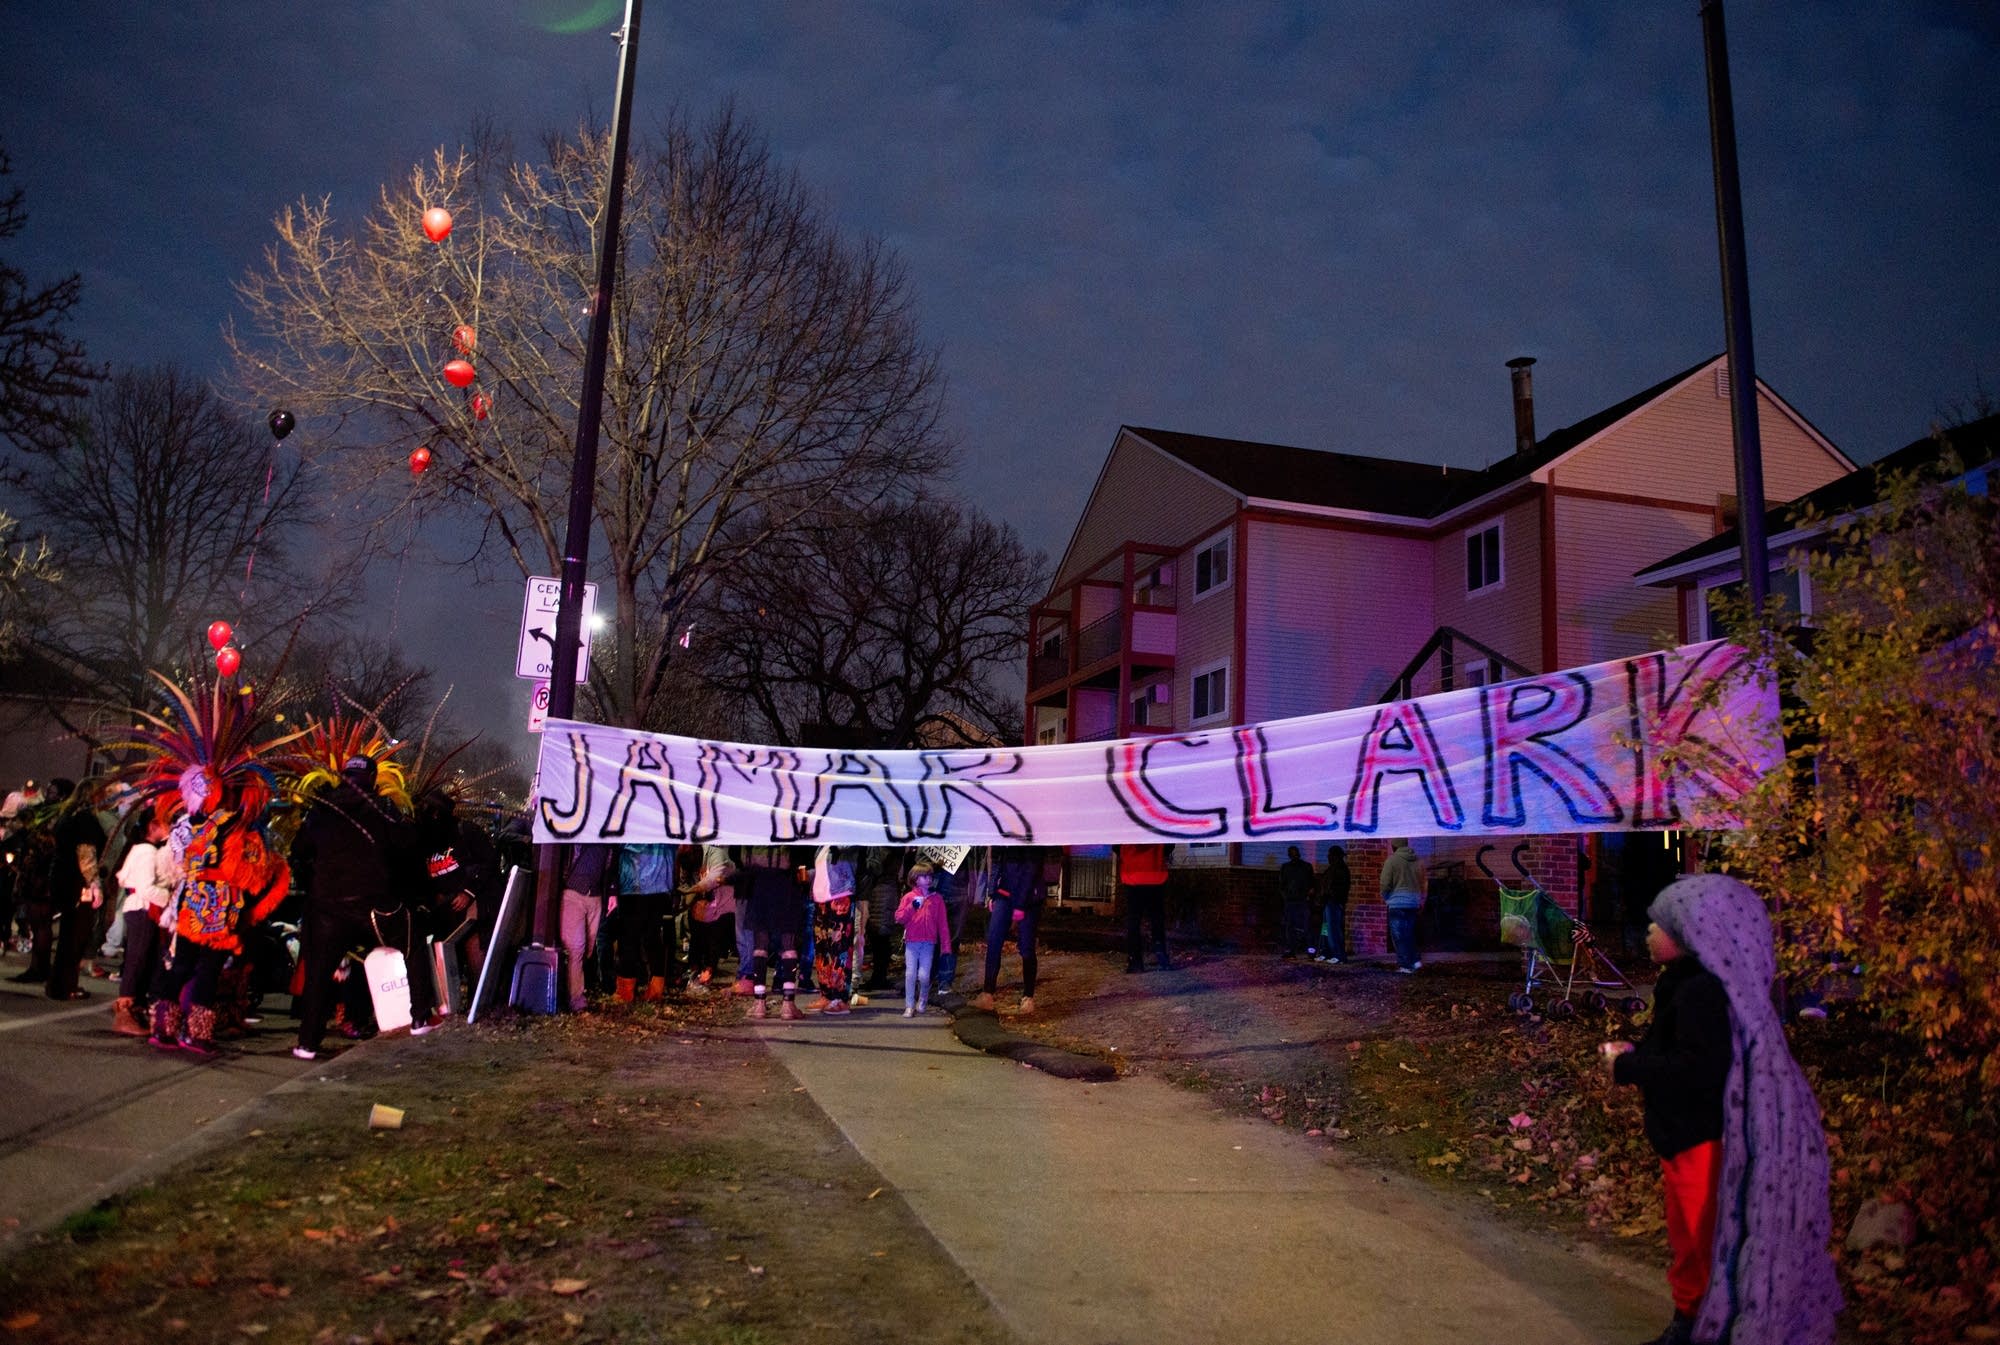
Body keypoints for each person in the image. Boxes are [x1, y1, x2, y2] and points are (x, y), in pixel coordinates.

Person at [1603, 874, 1839, 1345]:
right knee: (1687, 1236)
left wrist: (1628, 1067)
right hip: (1680, 1134)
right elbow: (1676, 1050)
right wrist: (1637, 1054)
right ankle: (1689, 1319)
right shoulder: (1681, 986)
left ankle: (1700, 1325)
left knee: (1701, 1238)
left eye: (1659, 925)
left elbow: (1695, 1066)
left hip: (1702, 1138)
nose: (1648, 932)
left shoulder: (1702, 994)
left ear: (1692, 935)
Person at [289, 757, 437, 1057]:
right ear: (372, 778)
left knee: (319, 973)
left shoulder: (322, 808)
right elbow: (407, 845)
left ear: (344, 776)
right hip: (375, 905)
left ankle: (307, 1042)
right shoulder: (382, 807)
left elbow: (299, 850)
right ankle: (420, 1017)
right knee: (412, 946)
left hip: (328, 905)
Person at [150, 766, 291, 1057]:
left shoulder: (195, 824)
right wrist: (273, 869)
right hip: (220, 910)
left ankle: (164, 1027)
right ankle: (197, 1033)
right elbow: (244, 875)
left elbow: (182, 862)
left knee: (182, 966)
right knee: (208, 971)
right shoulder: (239, 830)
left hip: (192, 904)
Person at [40, 780, 107, 1001]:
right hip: (77, 883)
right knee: (75, 936)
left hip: (62, 878)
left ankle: (59, 983)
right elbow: (86, 855)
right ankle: (65, 984)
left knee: (69, 935)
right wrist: (94, 883)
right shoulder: (85, 819)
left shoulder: (67, 815)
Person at [109, 811, 171, 1036]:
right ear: (153, 826)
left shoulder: (143, 850)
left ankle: (136, 1009)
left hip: (143, 909)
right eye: (166, 822)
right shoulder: (146, 852)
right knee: (137, 959)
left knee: (145, 959)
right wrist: (170, 898)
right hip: (143, 909)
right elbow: (145, 888)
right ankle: (125, 1012)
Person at [735, 845, 806, 1019]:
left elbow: (744, 859)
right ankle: (788, 1004)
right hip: (785, 884)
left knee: (761, 943)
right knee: (788, 942)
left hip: (760, 886)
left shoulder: (756, 829)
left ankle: (759, 1003)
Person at [975, 846, 1046, 1014]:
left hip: (1029, 897)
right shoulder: (1004, 835)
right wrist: (992, 892)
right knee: (993, 941)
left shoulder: (1032, 837)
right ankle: (987, 993)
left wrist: (1020, 904)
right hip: (1004, 894)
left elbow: (1031, 869)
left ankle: (1028, 996)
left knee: (1027, 947)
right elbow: (997, 861)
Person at [614, 842, 680, 1003]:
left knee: (629, 939)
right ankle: (656, 989)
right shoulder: (664, 828)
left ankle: (626, 991)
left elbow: (622, 845)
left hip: (634, 888)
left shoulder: (635, 827)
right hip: (659, 888)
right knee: (653, 938)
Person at [557, 842, 617, 1014]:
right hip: (573, 891)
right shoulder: (575, 831)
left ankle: (574, 990)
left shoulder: (608, 840)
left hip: (596, 895)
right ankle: (576, 999)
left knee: (588, 949)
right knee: (576, 946)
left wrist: (613, 892)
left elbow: (612, 867)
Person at [896, 862, 950, 1017]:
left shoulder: (937, 899)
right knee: (910, 974)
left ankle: (923, 998)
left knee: (924, 975)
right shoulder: (909, 898)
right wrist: (912, 906)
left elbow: (943, 924)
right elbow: (899, 917)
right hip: (912, 942)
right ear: (915, 878)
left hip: (928, 943)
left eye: (930, 876)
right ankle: (909, 1005)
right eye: (924, 876)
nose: (928, 879)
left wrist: (946, 945)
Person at [809, 846, 856, 1014]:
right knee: (822, 948)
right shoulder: (822, 845)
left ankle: (840, 998)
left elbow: (851, 857)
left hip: (840, 896)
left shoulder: (846, 841)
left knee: (839, 948)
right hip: (821, 899)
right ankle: (827, 994)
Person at [682, 844, 736, 986]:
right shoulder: (690, 861)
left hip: (723, 903)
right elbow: (685, 880)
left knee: (714, 938)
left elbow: (712, 879)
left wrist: (689, 892)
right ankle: (694, 968)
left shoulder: (716, 855)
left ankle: (709, 969)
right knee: (696, 935)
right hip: (704, 903)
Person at [1116, 842, 1171, 972]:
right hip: (1155, 874)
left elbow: (1115, 846)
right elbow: (1169, 845)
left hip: (1133, 875)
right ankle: (1160, 954)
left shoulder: (1126, 827)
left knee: (1134, 921)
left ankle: (1135, 961)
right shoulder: (1156, 824)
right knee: (1157, 918)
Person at [1380, 838, 1424, 973]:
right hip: (1413, 901)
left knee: (1398, 935)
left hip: (1397, 902)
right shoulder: (1417, 861)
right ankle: (1415, 960)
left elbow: (1385, 883)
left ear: (1393, 846)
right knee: (1410, 932)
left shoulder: (1392, 861)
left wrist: (1386, 898)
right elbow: (1422, 881)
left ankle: (1405, 965)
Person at [1277, 844, 1315, 958]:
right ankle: (1306, 950)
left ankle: (1304, 950)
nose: (1294, 855)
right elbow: (1282, 886)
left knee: (1301, 926)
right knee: (1295, 926)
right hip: (1295, 900)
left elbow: (1312, 884)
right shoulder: (1302, 867)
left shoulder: (1300, 867)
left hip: (1299, 900)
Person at [1316, 844, 1350, 964]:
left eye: (1330, 855)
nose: (1328, 857)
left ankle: (1338, 955)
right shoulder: (1333, 869)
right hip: (1329, 902)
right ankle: (1326, 952)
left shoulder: (1339, 869)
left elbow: (1335, 888)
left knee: (1333, 928)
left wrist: (1326, 896)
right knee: (1326, 928)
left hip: (1334, 902)